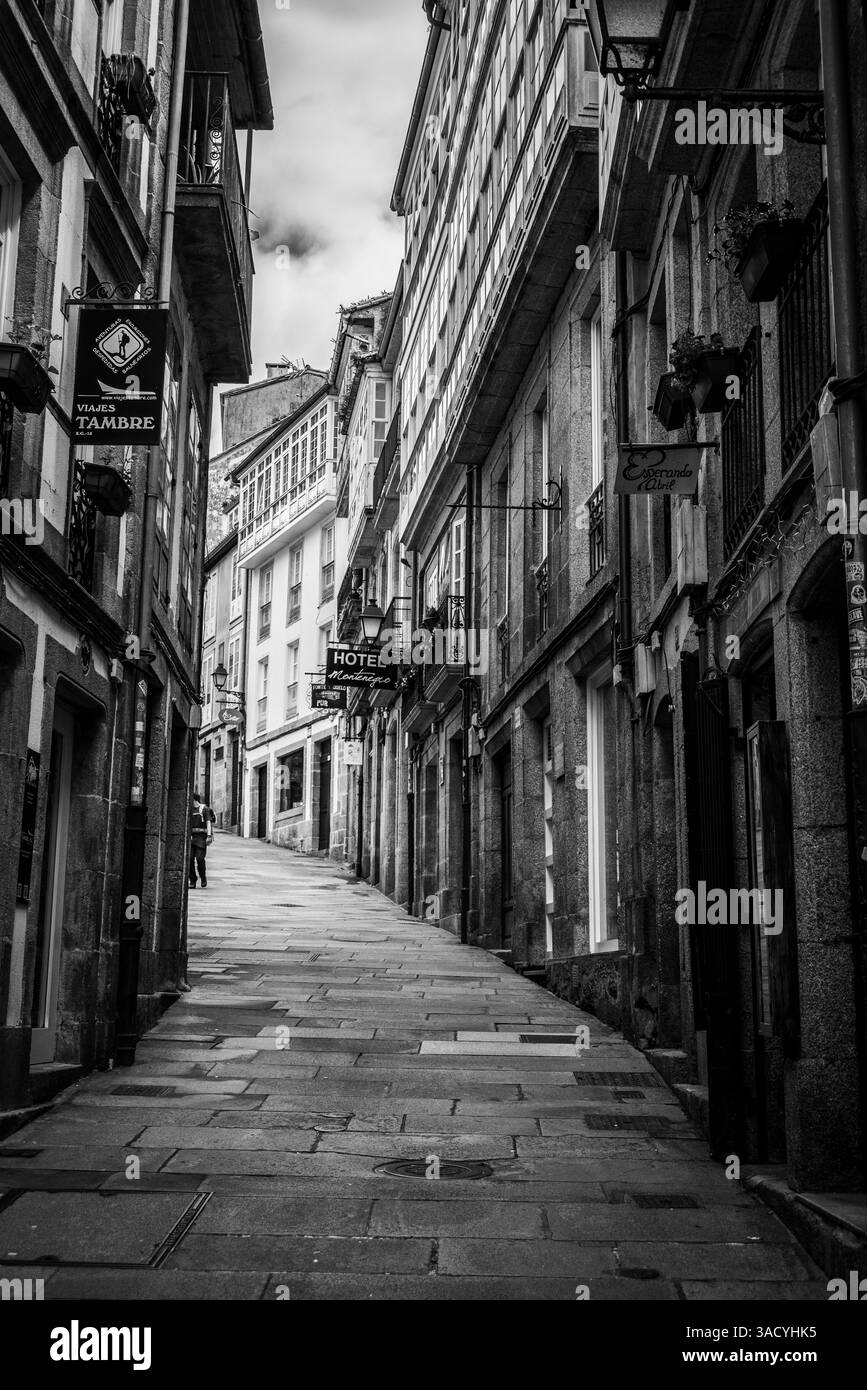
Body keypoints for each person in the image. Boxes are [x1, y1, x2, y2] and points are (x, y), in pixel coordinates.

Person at [189, 791, 214, 888]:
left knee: (200, 858)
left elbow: (208, 822)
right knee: (189, 858)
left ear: (194, 799)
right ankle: (192, 880)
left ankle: (203, 877)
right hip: (191, 837)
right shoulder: (189, 809)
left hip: (201, 838)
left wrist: (209, 835)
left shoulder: (204, 809)